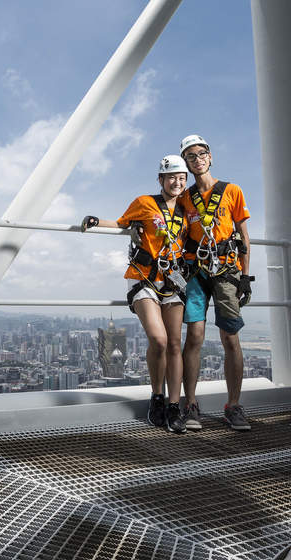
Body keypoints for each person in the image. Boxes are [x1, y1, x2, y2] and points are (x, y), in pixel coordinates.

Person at [81, 155, 190, 434]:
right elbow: (121, 221)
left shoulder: (188, 209)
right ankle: (157, 397)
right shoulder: (144, 203)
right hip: (143, 278)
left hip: (173, 281)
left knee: (176, 344)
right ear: (160, 179)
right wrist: (95, 221)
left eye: (181, 178)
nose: (177, 182)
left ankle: (174, 406)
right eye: (171, 177)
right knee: (159, 339)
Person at [177, 134, 255, 431]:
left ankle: (233, 406)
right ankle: (191, 404)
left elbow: (244, 237)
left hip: (226, 271)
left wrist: (245, 276)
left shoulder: (232, 191)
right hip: (196, 272)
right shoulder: (186, 198)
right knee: (194, 337)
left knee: (230, 338)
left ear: (210, 156)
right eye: (190, 157)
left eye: (200, 154)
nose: (196, 160)